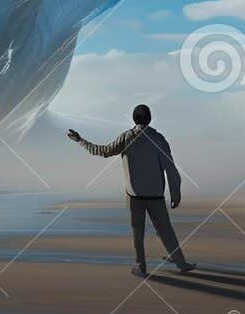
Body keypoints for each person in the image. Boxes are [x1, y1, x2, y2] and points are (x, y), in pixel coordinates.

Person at [67, 104, 196, 277]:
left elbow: (103, 151)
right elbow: (170, 168)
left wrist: (80, 140)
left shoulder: (127, 138)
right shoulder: (158, 139)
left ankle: (140, 265)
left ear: (134, 119)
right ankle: (181, 263)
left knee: (138, 231)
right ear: (150, 119)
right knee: (165, 229)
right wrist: (175, 192)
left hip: (134, 195)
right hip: (155, 195)